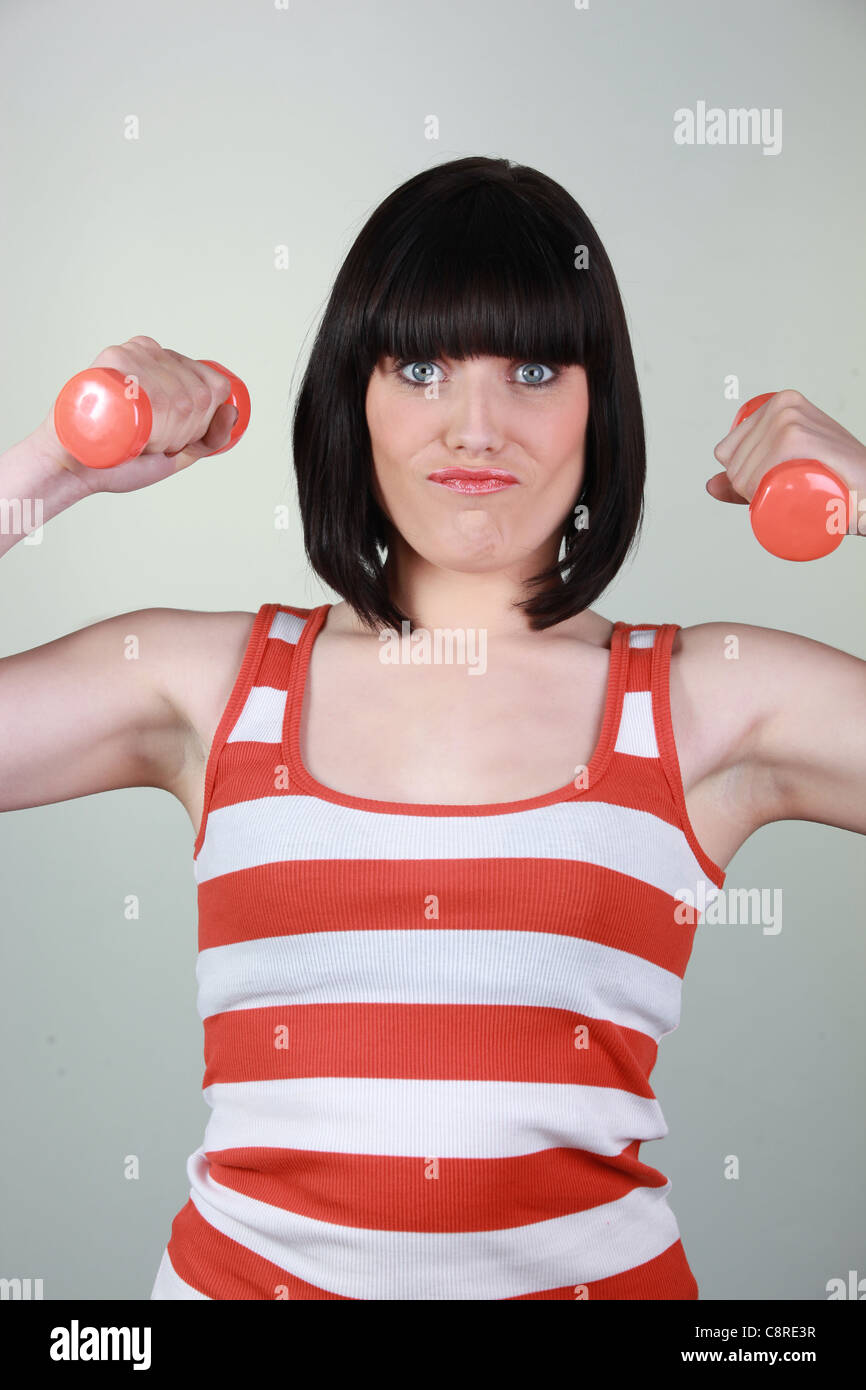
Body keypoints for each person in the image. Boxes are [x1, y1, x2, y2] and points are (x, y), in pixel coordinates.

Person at [1, 155, 863, 1301]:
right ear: (351, 397)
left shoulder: (717, 698)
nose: (476, 426)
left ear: (596, 402)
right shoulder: (204, 682)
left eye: (535, 367)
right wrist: (52, 469)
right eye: (418, 367)